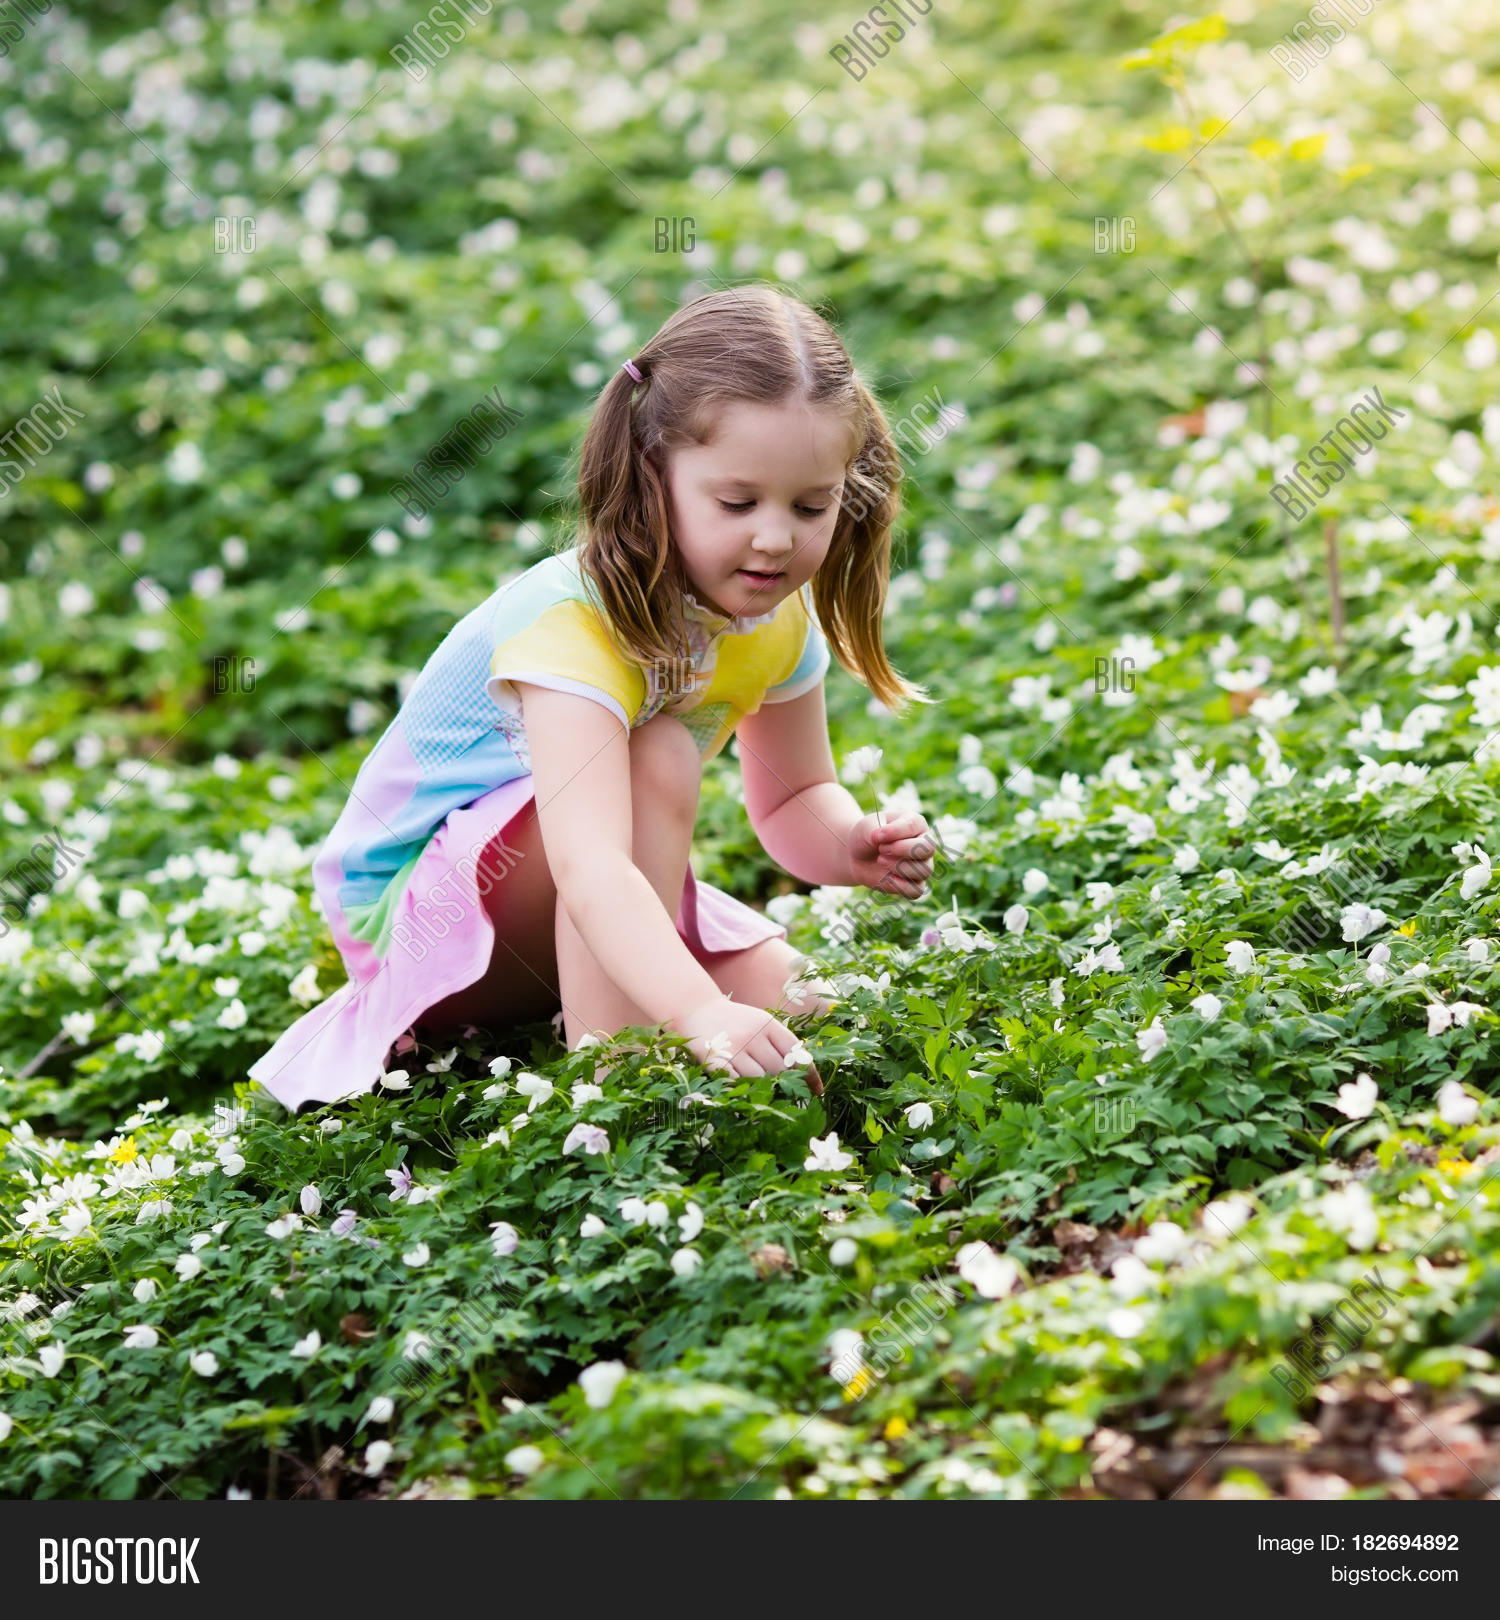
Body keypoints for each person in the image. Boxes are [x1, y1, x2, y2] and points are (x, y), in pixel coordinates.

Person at [248, 284, 937, 1112]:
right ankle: (614, 1076)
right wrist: (696, 1011)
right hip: (428, 922)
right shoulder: (577, 623)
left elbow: (793, 797)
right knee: (663, 753)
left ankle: (635, 1018)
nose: (775, 537)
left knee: (811, 997)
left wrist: (851, 842)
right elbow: (589, 862)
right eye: (737, 501)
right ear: (655, 475)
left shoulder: (778, 621)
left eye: (811, 505)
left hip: (586, 903)